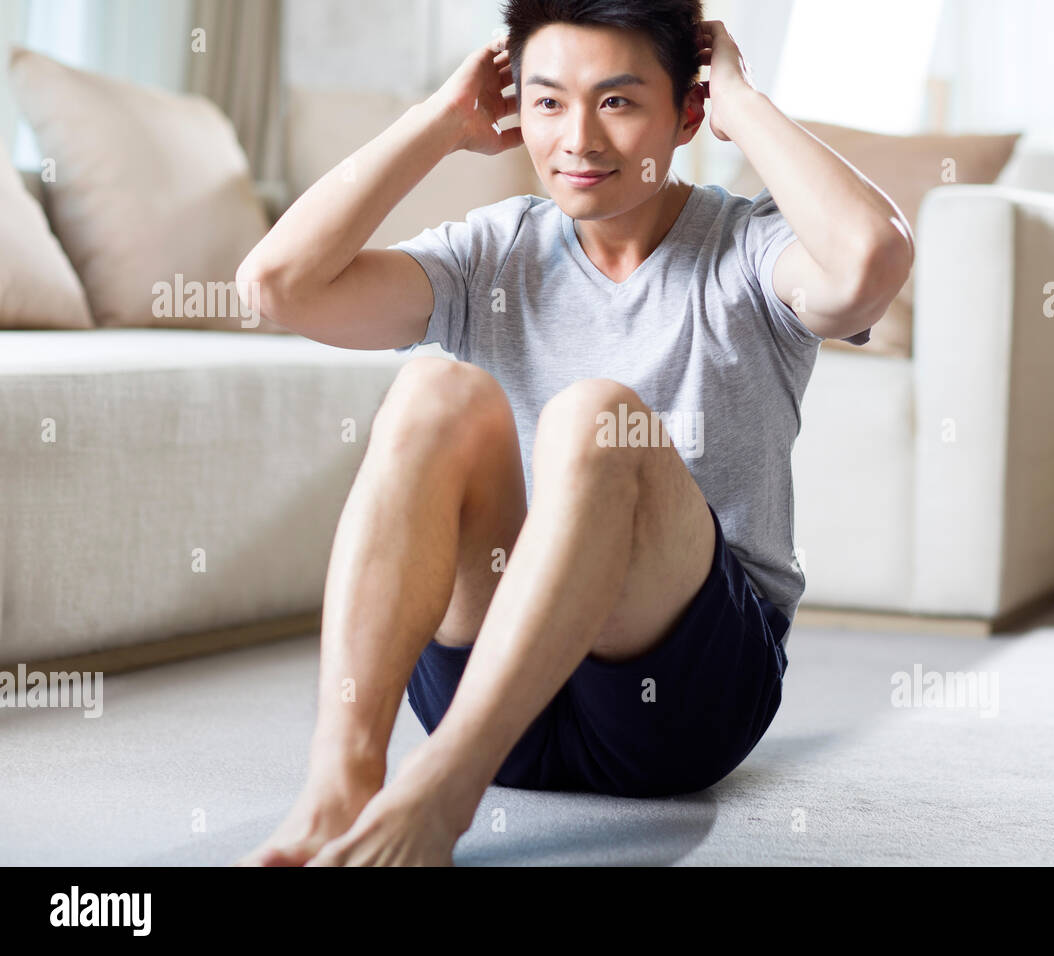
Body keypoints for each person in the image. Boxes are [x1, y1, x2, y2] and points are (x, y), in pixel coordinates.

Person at [234, 0, 913, 866]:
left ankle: (440, 797)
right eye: (549, 102)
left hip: (681, 704)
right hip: (494, 685)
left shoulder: (749, 251)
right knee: (433, 389)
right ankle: (339, 786)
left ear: (687, 110)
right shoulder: (495, 252)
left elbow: (871, 261)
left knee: (596, 415)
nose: (579, 140)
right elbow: (279, 286)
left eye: (619, 102)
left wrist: (742, 102)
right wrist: (439, 123)